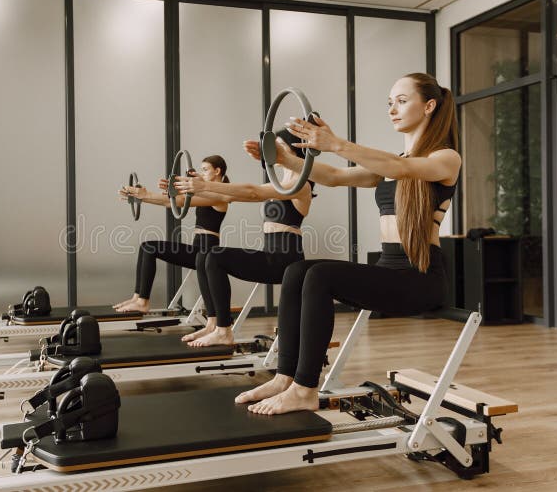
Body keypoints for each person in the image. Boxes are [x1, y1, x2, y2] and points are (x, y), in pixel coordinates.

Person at [237, 72, 461, 415]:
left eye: (402, 101)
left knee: (321, 276)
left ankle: (305, 388)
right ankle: (285, 377)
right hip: (389, 272)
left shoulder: (446, 159)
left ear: (429, 106)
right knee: (297, 271)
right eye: (390, 103)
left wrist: (336, 143)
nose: (392, 110)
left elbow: (400, 168)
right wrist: (284, 160)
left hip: (420, 278)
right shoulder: (392, 163)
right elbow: (336, 177)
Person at [173, 129, 316, 347]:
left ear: (293, 148)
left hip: (286, 262)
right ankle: (214, 324)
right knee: (209, 256)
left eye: (278, 145)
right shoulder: (279, 181)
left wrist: (205, 185)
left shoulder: (301, 184)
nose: (273, 150)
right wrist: (196, 187)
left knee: (215, 256)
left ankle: (223, 330)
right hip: (270, 255)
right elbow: (228, 195)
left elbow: (252, 192)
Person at [113, 156, 230, 316]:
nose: (201, 173)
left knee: (150, 248)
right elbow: (174, 200)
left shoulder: (219, 196)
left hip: (205, 252)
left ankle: (142, 302)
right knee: (145, 247)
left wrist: (146, 195)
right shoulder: (207, 193)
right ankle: (137, 297)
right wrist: (164, 193)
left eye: (205, 169)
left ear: (217, 171)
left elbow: (178, 202)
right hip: (196, 249)